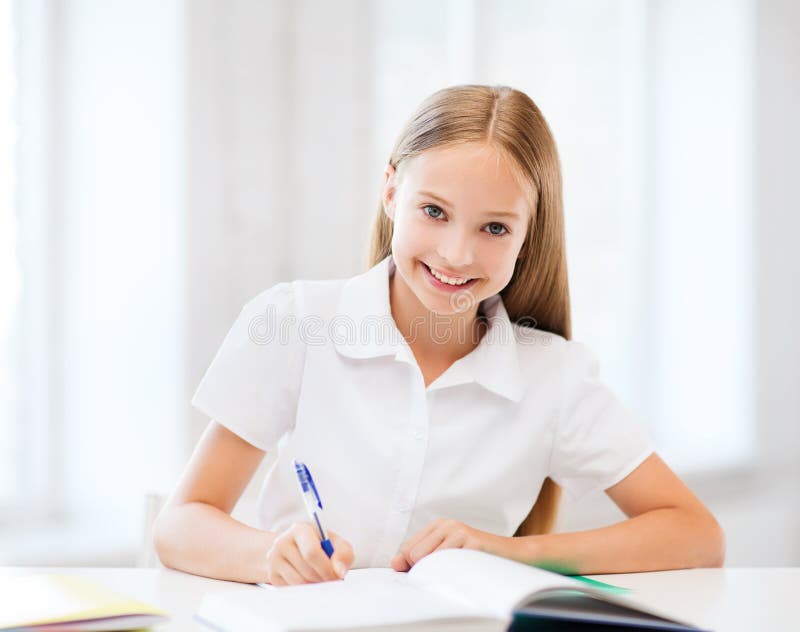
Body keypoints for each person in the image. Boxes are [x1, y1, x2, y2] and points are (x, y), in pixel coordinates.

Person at [153, 85, 725, 586]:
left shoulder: (553, 377)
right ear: (391, 193)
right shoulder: (298, 323)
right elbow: (181, 524)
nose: (456, 254)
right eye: (434, 211)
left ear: (528, 237)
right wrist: (268, 555)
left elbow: (695, 535)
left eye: (494, 228)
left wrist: (510, 554)